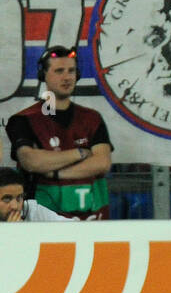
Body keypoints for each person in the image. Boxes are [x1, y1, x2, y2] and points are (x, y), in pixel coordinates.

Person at [4, 46, 113, 220]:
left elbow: (102, 162)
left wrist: (55, 172)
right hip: (46, 224)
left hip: (93, 221)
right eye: (59, 71)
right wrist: (80, 153)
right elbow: (31, 161)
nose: (66, 77)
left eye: (71, 71)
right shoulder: (23, 120)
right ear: (43, 75)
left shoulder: (92, 118)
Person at [0, 166, 72, 220]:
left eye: (19, 198)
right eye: (7, 199)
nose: (15, 206)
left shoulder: (32, 210)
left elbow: (74, 228)